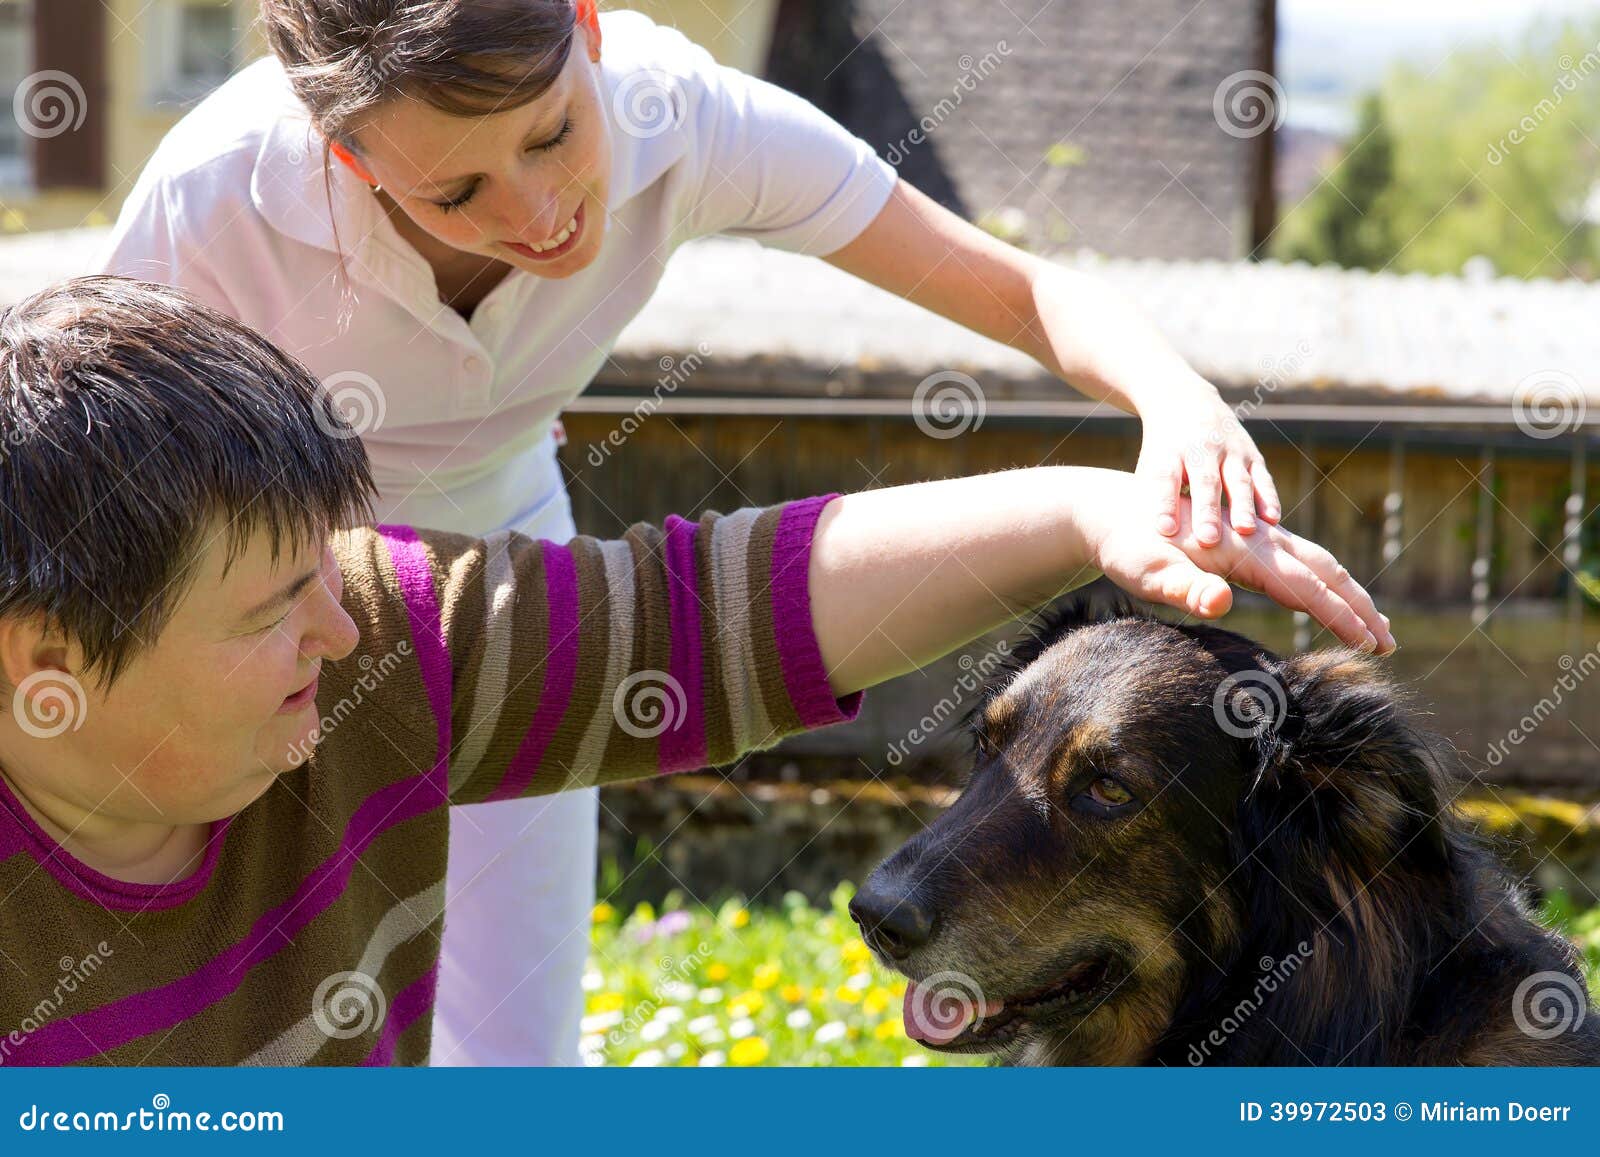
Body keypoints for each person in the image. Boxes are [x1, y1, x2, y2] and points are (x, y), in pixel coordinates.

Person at [103, 0, 1299, 1065]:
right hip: (264, 599)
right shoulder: (216, 196)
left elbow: (1012, 288)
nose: (537, 212)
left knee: (516, 1041)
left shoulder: (685, 118)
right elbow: (98, 496)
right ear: (349, 157)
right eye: (455, 193)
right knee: (246, 1024)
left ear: (587, 27)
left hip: (515, 578)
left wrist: (1173, 398)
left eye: (550, 134)